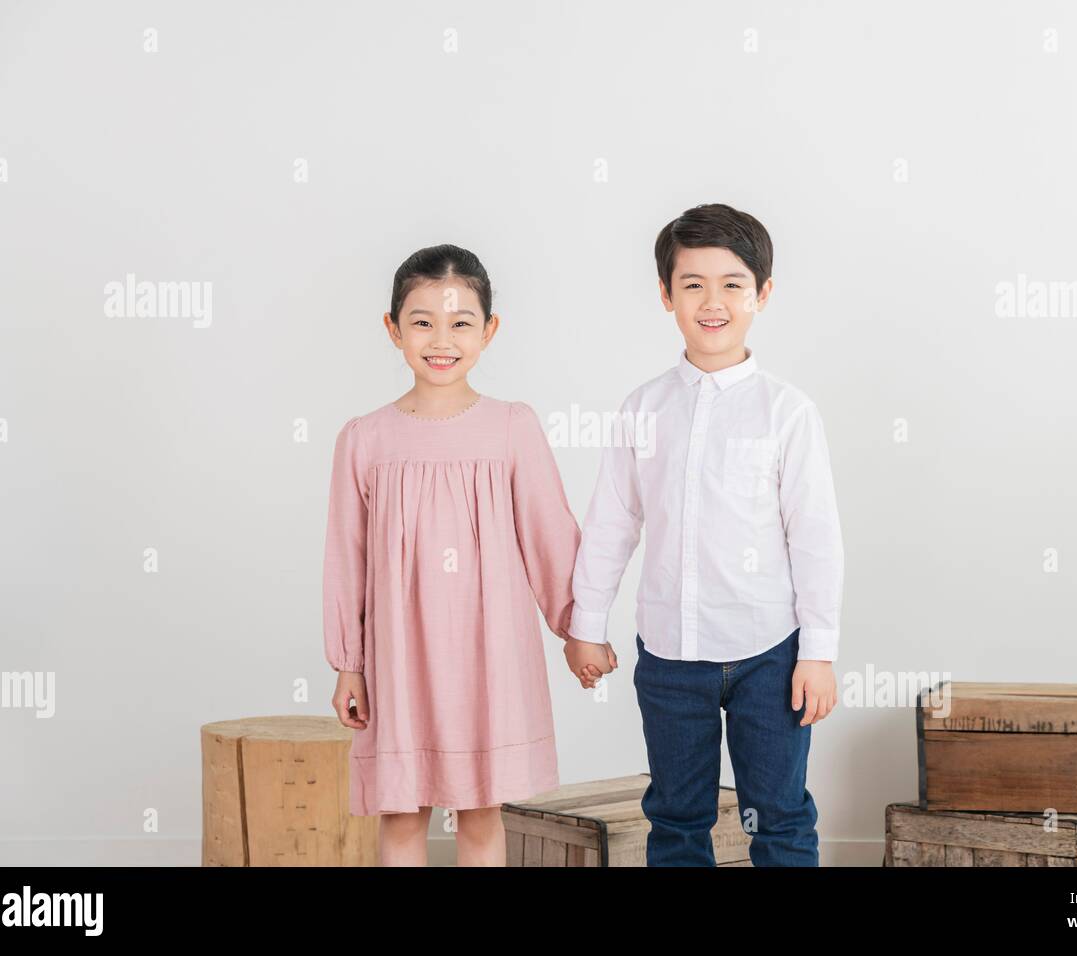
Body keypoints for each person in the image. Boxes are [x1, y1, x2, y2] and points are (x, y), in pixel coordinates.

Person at [568, 204, 845, 866]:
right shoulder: (644, 407)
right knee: (676, 815)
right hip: (669, 657)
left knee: (777, 813)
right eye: (692, 284)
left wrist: (819, 651)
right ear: (666, 295)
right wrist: (587, 621)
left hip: (770, 654)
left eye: (732, 283)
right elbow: (612, 521)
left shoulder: (787, 412)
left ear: (763, 294)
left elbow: (815, 536)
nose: (712, 301)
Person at [322, 243, 611, 866]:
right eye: (422, 322)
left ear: (489, 330)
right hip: (398, 658)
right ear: (393, 328)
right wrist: (349, 661)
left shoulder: (512, 425)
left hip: (489, 655)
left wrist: (579, 628)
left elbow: (550, 535)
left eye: (460, 323)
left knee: (482, 810)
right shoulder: (364, 439)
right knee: (400, 810)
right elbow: (346, 559)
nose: (440, 339)